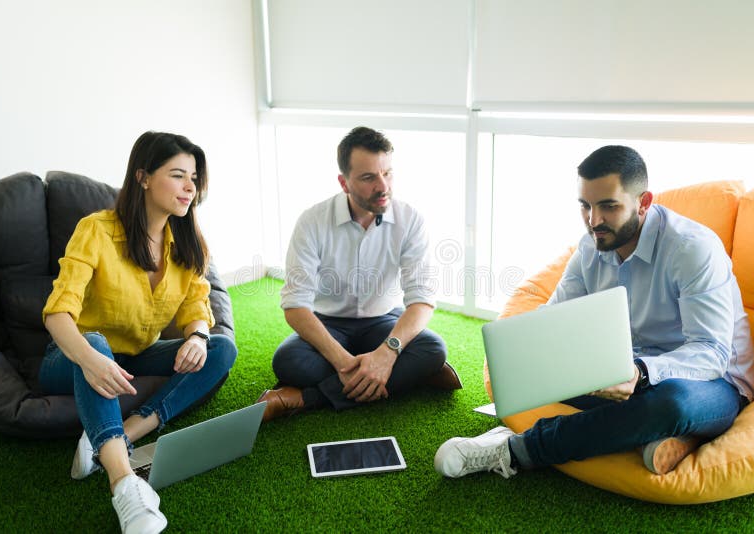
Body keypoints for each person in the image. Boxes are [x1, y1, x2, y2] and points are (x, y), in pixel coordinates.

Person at [434, 145, 754, 479]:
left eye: (608, 206)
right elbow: (553, 320)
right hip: (626, 371)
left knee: (672, 404)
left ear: (643, 202)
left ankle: (515, 449)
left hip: (712, 383)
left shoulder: (692, 249)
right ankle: (655, 434)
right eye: (585, 206)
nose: (594, 220)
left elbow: (712, 353)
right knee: (557, 372)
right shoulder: (591, 246)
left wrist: (640, 372)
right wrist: (532, 355)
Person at [40, 131, 237, 534]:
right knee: (96, 342)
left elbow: (197, 306)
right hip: (72, 357)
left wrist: (197, 337)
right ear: (143, 177)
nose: (190, 187)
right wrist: (90, 359)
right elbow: (58, 313)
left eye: (194, 178)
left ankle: (125, 433)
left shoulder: (188, 242)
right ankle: (125, 484)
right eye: (178, 175)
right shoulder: (96, 231)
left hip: (135, 356)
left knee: (221, 348)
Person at [257, 126, 461, 422]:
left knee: (433, 349)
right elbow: (295, 306)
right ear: (344, 183)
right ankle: (410, 376)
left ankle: (300, 398)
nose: (383, 186)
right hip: (328, 323)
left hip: (383, 320)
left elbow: (422, 300)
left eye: (387, 173)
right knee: (289, 361)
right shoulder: (312, 221)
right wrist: (341, 361)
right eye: (368, 177)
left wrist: (388, 353)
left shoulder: (410, 220)